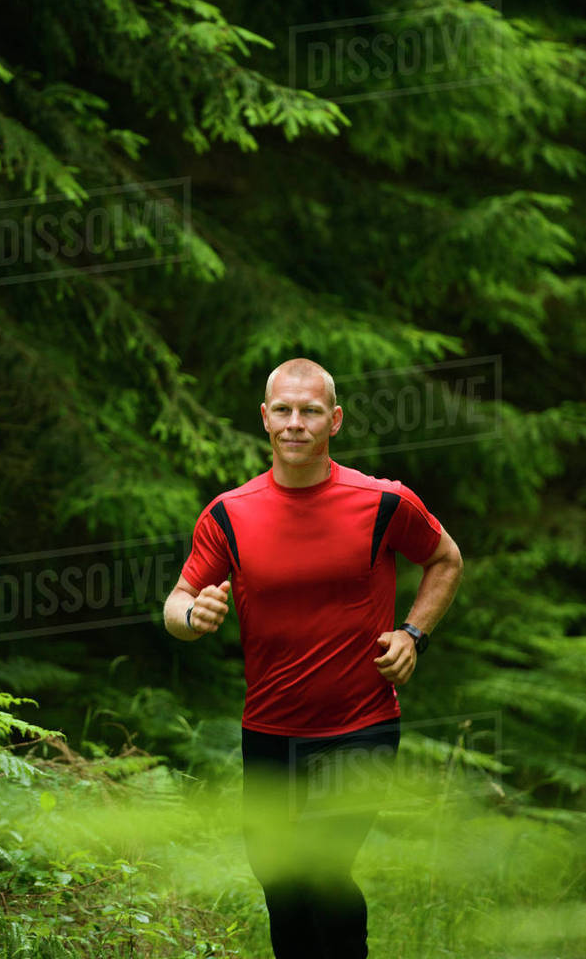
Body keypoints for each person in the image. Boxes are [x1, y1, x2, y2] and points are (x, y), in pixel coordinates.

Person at [163, 357, 463, 959]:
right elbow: (178, 600)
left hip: (361, 725)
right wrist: (194, 618)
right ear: (265, 420)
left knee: (323, 870)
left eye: (311, 411)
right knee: (279, 879)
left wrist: (412, 634)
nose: (296, 422)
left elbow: (445, 559)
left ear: (336, 421)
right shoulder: (229, 513)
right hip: (270, 729)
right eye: (284, 409)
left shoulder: (382, 503)